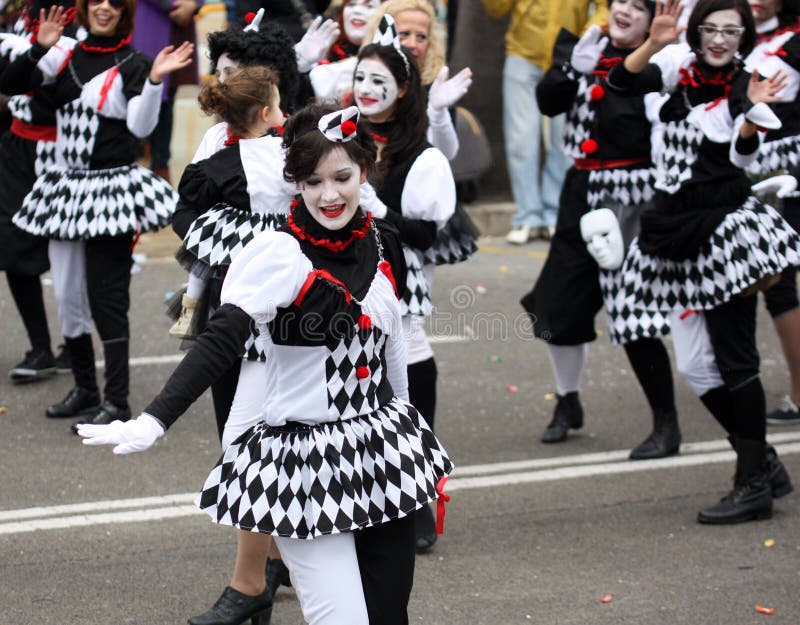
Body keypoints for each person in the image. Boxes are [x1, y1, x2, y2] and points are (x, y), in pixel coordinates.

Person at [77, 103, 453, 625]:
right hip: (306, 463)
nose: (329, 194)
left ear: (364, 173)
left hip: (380, 452)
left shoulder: (380, 238)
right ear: (295, 183)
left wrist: (407, 430)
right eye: (313, 181)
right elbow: (221, 338)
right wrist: (154, 420)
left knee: (389, 614)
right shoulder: (278, 253)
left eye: (342, 177)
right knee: (343, 619)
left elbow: (393, 345)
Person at [606, 0, 799, 523]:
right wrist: (654, 42)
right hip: (672, 228)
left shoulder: (747, 82)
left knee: (736, 360)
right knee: (693, 363)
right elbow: (620, 85)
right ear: (696, 33)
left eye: (730, 31)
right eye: (710, 29)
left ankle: (752, 482)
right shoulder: (676, 68)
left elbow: (742, 158)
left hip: (721, 230)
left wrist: (749, 119)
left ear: (744, 36)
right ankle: (762, 461)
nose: (718, 39)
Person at [0, 2, 193, 427]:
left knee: (107, 298)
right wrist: (37, 48)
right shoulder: (63, 55)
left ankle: (117, 400)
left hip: (111, 191)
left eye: (114, 2)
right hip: (67, 189)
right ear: (85, 9)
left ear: (124, 12)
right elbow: (11, 84)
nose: (104, 7)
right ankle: (86, 389)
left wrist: (155, 81)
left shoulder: (135, 62)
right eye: (96, 1)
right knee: (68, 294)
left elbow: (141, 128)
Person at [520, 0, 682, 459]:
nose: (625, 11)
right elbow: (548, 103)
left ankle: (666, 423)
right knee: (558, 305)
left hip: (632, 196)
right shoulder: (585, 48)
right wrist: (571, 70)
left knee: (632, 314)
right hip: (581, 189)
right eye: (620, 2)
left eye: (638, 6)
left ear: (653, 19)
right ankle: (568, 401)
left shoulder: (658, 65)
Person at [354, 16, 455, 551]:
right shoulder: (341, 133)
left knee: (407, 367)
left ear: (403, 87)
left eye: (379, 81)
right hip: (340, 272)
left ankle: (420, 495)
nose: (366, 90)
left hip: (396, 273)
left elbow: (424, 233)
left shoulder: (421, 153)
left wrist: (378, 209)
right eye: (360, 78)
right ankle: (364, 495)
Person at [167, 65, 287, 340]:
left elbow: (191, 196)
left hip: (238, 252)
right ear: (265, 114)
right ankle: (190, 307)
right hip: (265, 249)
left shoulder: (220, 162)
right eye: (278, 105)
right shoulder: (281, 151)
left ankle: (190, 306)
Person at [481, 0, 608, 244]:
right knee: (520, 140)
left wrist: (586, 37)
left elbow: (605, 7)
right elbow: (496, 9)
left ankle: (554, 212)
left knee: (564, 140)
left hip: (568, 54)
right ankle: (527, 215)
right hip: (522, 53)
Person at [0, 0, 75, 383]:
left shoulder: (87, 15)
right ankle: (40, 347)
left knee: (71, 255)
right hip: (16, 148)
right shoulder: (19, 11)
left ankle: (75, 345)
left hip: (63, 152)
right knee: (13, 247)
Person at [744, 0, 800, 425]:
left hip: (789, 174)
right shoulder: (733, 36)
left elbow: (752, 93)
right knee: (766, 282)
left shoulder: (792, 44)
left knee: (780, 281)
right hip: (749, 175)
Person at [131, 0, 202, 183]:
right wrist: (177, 4)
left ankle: (160, 173)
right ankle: (144, 171)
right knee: (144, 96)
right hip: (148, 24)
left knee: (167, 103)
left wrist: (194, 4)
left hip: (176, 30)